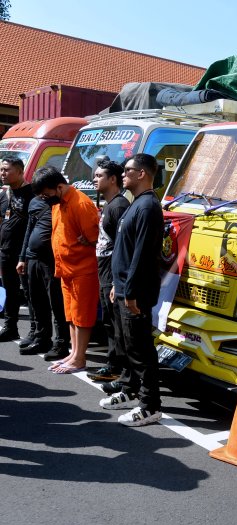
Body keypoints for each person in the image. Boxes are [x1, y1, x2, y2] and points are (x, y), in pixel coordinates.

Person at [100, 154, 164, 426]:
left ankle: (150, 405)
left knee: (140, 350)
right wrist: (117, 284)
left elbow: (142, 255)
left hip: (134, 293)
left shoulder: (148, 206)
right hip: (123, 288)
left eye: (128, 170)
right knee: (126, 345)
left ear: (143, 174)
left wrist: (130, 292)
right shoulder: (135, 204)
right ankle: (128, 389)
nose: (122, 174)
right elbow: (124, 251)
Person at [34, 166, 99, 374]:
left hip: (83, 269)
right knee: (70, 315)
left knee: (82, 317)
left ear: (60, 187)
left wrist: (86, 241)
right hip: (65, 269)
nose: (45, 198)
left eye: (47, 194)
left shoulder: (81, 203)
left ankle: (80, 358)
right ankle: (73, 354)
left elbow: (96, 239)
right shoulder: (58, 203)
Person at [86, 160, 129, 382]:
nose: (94, 179)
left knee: (118, 325)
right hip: (104, 273)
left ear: (113, 179)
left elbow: (123, 247)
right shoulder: (109, 204)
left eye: (99, 175)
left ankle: (120, 370)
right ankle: (113, 365)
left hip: (113, 275)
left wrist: (115, 282)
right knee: (109, 323)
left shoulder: (119, 206)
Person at [16, 188, 70, 357]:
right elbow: (29, 230)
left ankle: (61, 343)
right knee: (37, 301)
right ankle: (42, 339)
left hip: (51, 261)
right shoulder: (34, 202)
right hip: (32, 259)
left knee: (56, 303)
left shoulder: (59, 202)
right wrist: (22, 257)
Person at [0, 157, 34, 343]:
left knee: (29, 293)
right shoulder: (4, 194)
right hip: (5, 251)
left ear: (20, 171)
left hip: (24, 254)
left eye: (6, 170)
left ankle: (35, 331)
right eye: (1, 170)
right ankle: (10, 327)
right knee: (9, 291)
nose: (2, 173)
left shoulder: (31, 194)